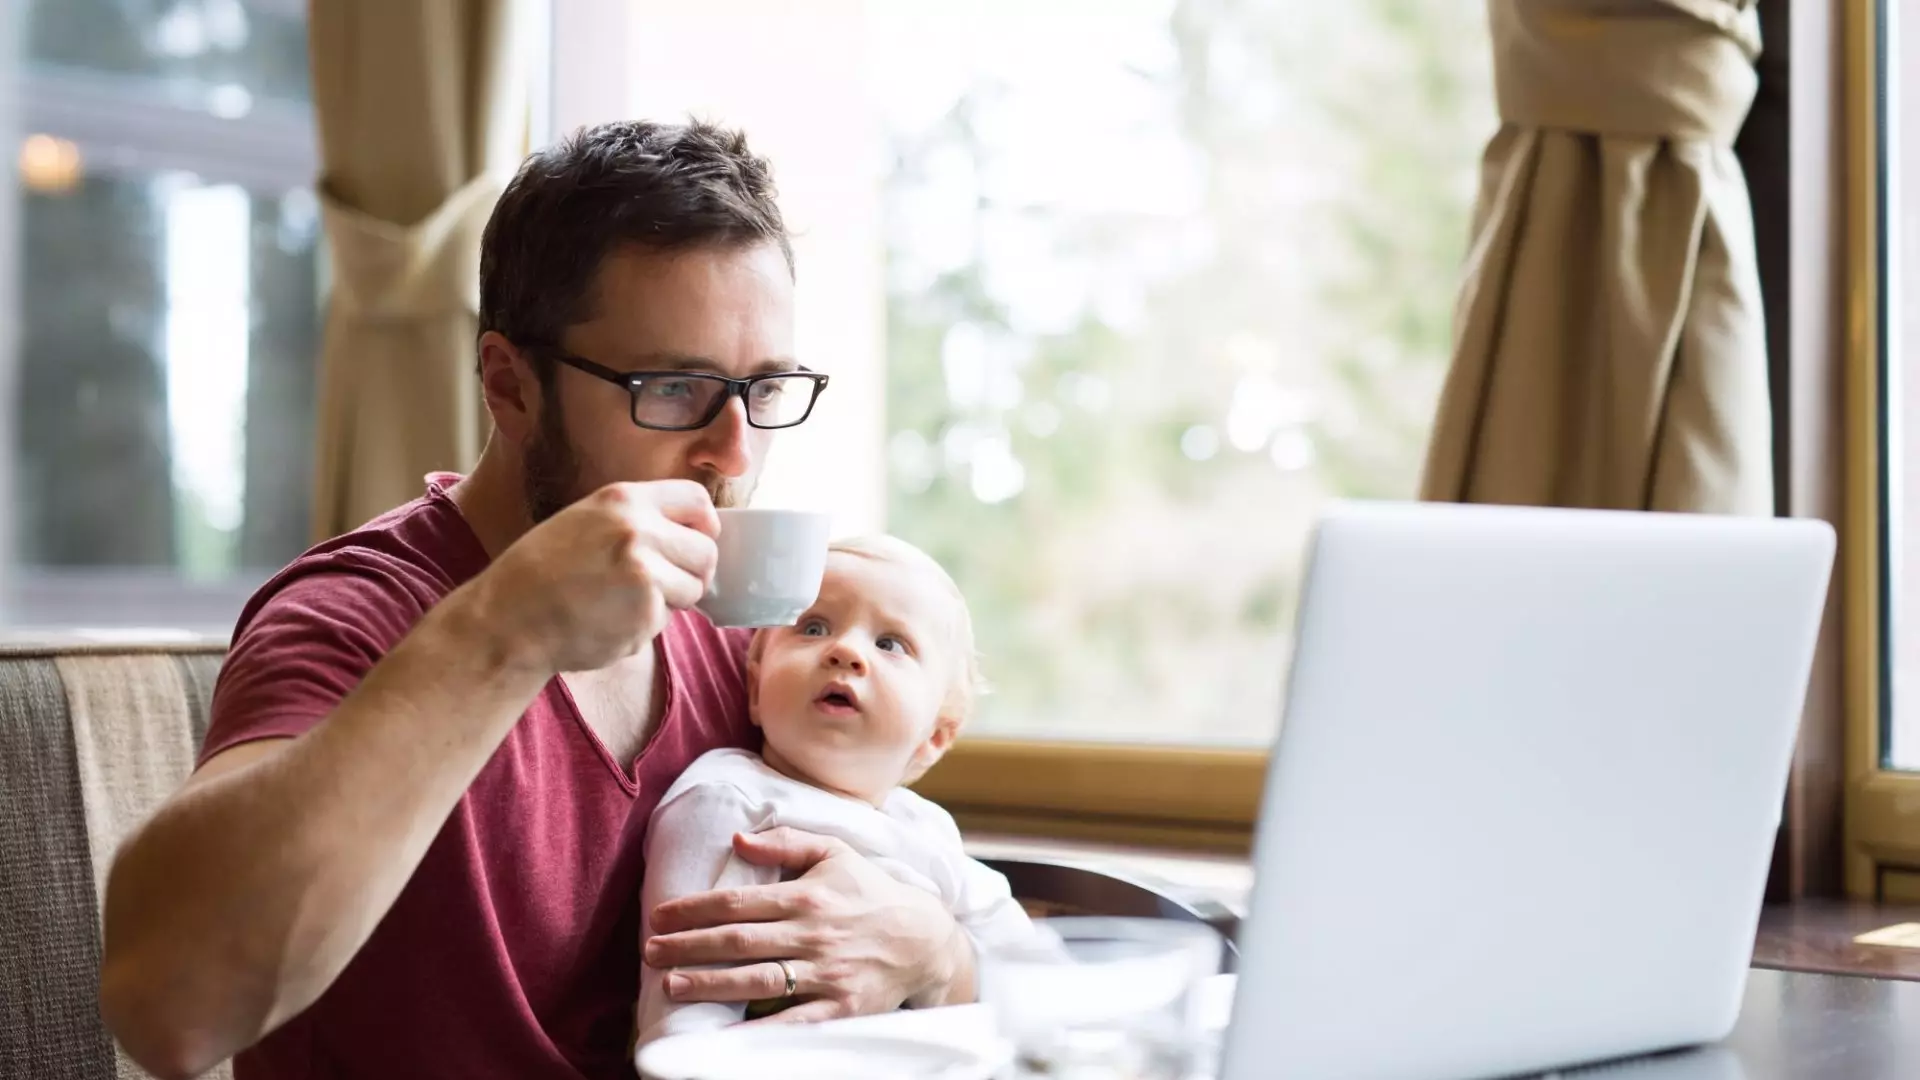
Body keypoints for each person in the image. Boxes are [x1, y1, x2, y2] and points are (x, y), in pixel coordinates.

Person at [98, 119, 980, 1080]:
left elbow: (908, 921)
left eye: (763, 390)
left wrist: (932, 950)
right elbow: (166, 1012)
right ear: (510, 386)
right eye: (673, 387)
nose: (735, 453)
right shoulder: (354, 615)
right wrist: (504, 631)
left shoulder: (737, 639)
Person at [635, 535, 1054, 1047]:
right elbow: (682, 1007)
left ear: (935, 736)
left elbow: (1032, 975)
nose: (846, 651)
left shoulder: (927, 829)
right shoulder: (725, 799)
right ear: (755, 691)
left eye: (891, 643)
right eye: (812, 626)